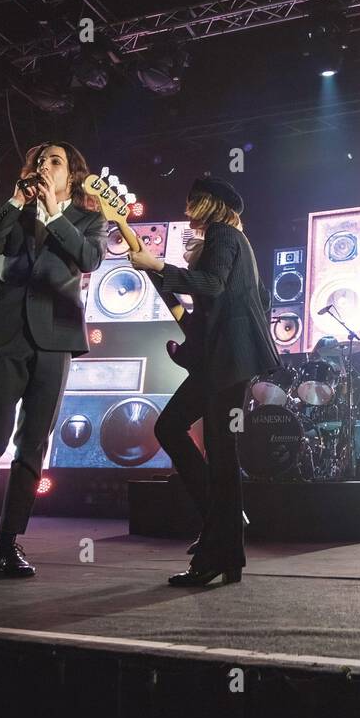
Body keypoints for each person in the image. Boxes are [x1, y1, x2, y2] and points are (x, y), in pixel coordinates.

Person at [0, 142, 105, 581]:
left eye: (55, 161)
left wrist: (54, 213)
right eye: (39, 161)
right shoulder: (15, 212)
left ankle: (7, 544)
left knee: (33, 444)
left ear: (70, 177)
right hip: (4, 334)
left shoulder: (89, 219)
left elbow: (90, 258)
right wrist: (18, 201)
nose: (44, 166)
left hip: (55, 338)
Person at [128, 177, 279, 586]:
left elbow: (213, 285)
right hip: (224, 359)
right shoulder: (228, 241)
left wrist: (159, 265)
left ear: (215, 204)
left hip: (228, 361)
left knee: (214, 449)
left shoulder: (224, 234)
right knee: (182, 433)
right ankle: (225, 533)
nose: (189, 204)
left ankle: (220, 542)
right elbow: (231, 300)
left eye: (197, 198)